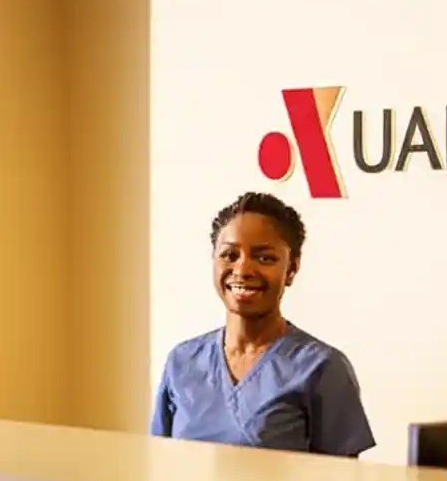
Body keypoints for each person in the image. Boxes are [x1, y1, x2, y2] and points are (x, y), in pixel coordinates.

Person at [149, 191, 376, 457]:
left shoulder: (321, 368)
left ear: (291, 269)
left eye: (264, 258)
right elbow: (158, 469)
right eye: (229, 255)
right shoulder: (182, 362)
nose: (243, 269)